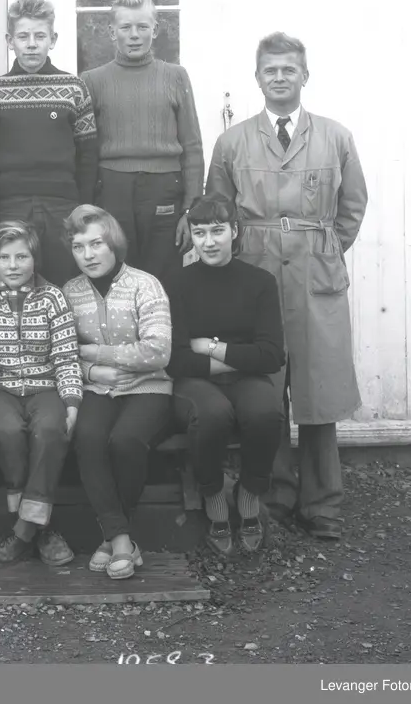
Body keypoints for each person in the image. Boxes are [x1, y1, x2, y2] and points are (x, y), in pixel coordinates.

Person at [206, 32, 368, 540]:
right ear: (258, 78)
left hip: (315, 274)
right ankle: (271, 494)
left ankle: (322, 503)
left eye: (288, 70)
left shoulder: (335, 137)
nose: (279, 77)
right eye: (270, 70)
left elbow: (353, 207)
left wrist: (323, 248)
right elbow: (216, 209)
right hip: (256, 271)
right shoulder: (232, 142)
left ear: (304, 76)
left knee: (319, 388)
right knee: (264, 387)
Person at [167, 196, 286, 555]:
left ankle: (248, 495)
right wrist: (240, 355)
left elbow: (272, 356)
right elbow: (177, 360)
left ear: (234, 232)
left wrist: (211, 347)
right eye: (199, 233)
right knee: (212, 414)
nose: (209, 242)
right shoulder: (177, 283)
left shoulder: (260, 283)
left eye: (218, 231)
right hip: (195, 384)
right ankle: (214, 496)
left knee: (266, 410)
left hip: (246, 381)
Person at [62, 204, 173, 580]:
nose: (88, 255)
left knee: (125, 441)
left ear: (113, 244)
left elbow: (159, 349)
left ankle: (111, 539)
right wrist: (92, 370)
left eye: (96, 244)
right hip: (96, 387)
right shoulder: (69, 292)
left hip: (148, 386)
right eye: (79, 247)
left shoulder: (145, 284)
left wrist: (98, 353)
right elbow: (59, 354)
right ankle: (123, 539)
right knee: (89, 438)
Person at [0, 220, 82, 568]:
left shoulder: (52, 297)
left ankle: (21, 534)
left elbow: (65, 354)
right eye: (4, 257)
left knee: (48, 429)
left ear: (35, 259)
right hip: (1, 388)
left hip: (44, 387)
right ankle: (40, 529)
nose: (13, 266)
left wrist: (72, 401)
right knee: (8, 431)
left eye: (21, 257)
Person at [81, 0, 204, 290]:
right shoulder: (91, 80)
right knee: (115, 275)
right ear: (112, 32)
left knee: (164, 279)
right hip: (112, 189)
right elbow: (84, 152)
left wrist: (191, 210)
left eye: (142, 27)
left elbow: (192, 147)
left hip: (164, 190)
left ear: (156, 30)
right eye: (125, 28)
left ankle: (165, 338)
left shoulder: (175, 76)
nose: (134, 35)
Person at [0, 0, 97, 286]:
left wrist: (83, 209)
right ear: (10, 40)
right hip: (10, 203)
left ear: (53, 39)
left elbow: (88, 154)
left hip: (63, 205)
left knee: (65, 281)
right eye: (23, 36)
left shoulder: (73, 87)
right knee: (12, 280)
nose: (31, 43)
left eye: (39, 36)